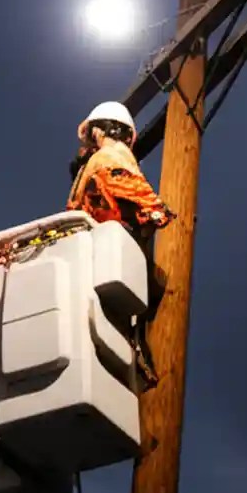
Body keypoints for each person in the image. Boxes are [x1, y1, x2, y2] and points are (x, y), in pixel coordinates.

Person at [66, 101, 174, 388]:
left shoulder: (104, 159)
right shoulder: (108, 158)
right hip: (109, 257)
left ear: (99, 130)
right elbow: (144, 205)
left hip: (98, 257)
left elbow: (130, 197)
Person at [66, 101, 174, 243]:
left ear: (97, 131)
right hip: (107, 243)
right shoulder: (114, 157)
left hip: (98, 243)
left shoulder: (108, 156)